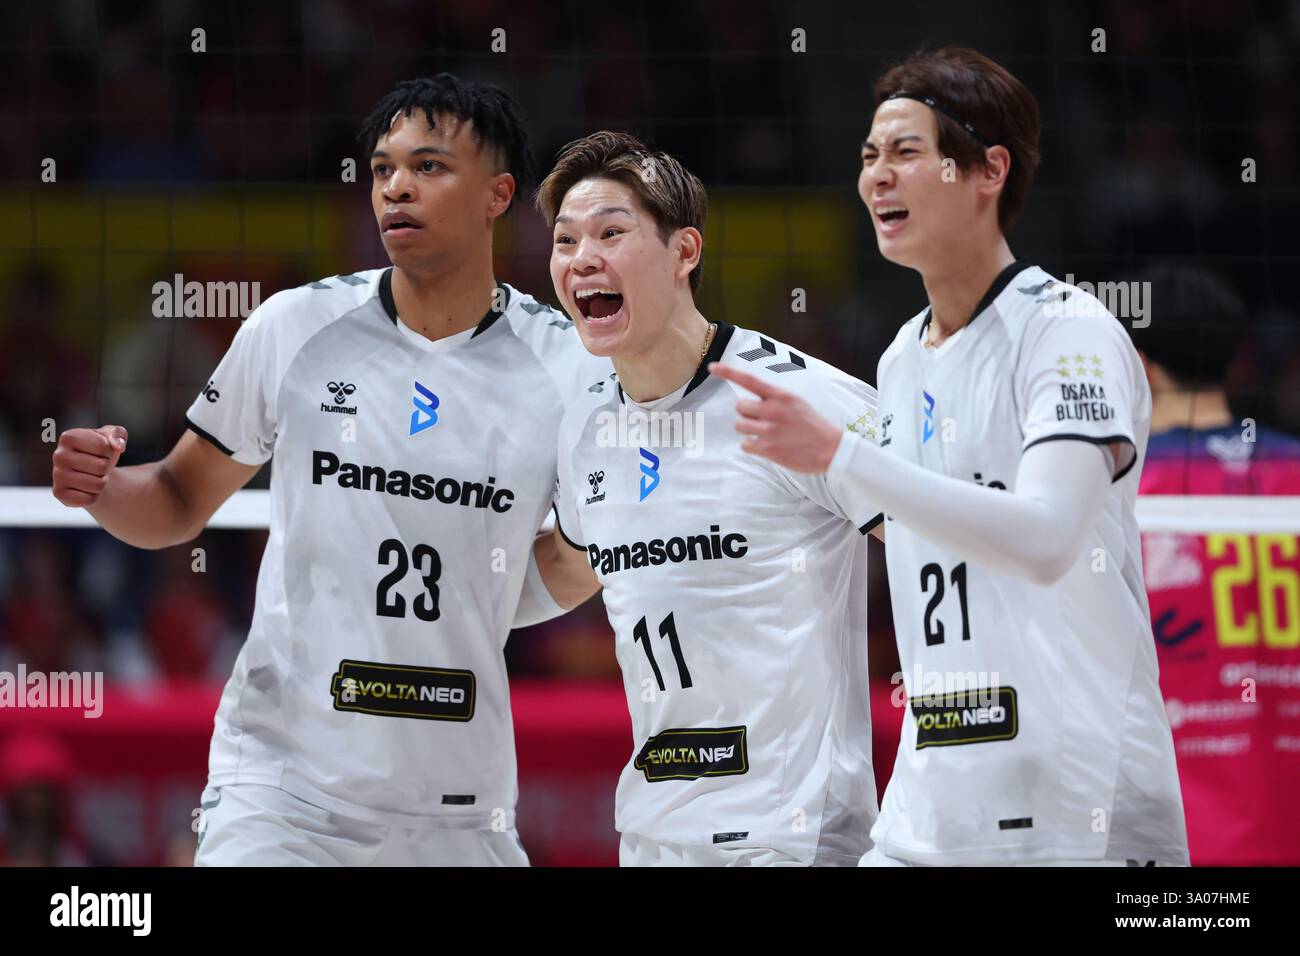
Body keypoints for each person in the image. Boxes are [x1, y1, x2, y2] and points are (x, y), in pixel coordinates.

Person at [50, 74, 604, 866]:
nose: (396, 187)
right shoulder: (293, 327)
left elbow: (583, 552)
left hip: (457, 804)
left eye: (430, 166)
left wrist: (475, 596)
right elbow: (175, 498)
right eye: (382, 170)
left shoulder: (569, 369)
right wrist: (106, 488)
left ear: (499, 194)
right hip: (281, 791)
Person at [713, 47, 1189, 865]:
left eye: (905, 153)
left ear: (987, 170)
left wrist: (841, 459)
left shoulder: (1067, 332)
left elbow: (1045, 539)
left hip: (1080, 801)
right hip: (936, 797)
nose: (876, 178)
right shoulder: (900, 360)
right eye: (868, 157)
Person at [530, 131, 884, 866]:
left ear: (684, 252)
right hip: (655, 832)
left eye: (610, 233)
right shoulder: (588, 425)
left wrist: (957, 671)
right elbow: (569, 567)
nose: (582, 258)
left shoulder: (798, 400)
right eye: (565, 241)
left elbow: (944, 534)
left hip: (792, 837)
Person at [1134, 264, 1300, 865]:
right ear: (1235, 359)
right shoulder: (1292, 476)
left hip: (1172, 845)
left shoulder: (1121, 495)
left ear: (1137, 364)